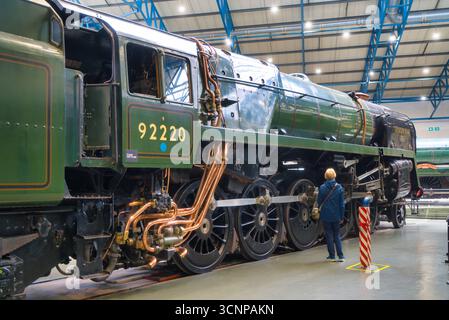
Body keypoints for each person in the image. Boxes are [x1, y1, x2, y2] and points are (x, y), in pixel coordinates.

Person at [317, 168, 346, 262]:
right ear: (334, 176)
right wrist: (342, 216)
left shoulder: (322, 187)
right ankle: (341, 256)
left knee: (329, 235)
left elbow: (319, 201)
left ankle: (332, 256)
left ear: (326, 176)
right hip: (337, 215)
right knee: (337, 235)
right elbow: (342, 205)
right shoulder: (340, 188)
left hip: (326, 215)